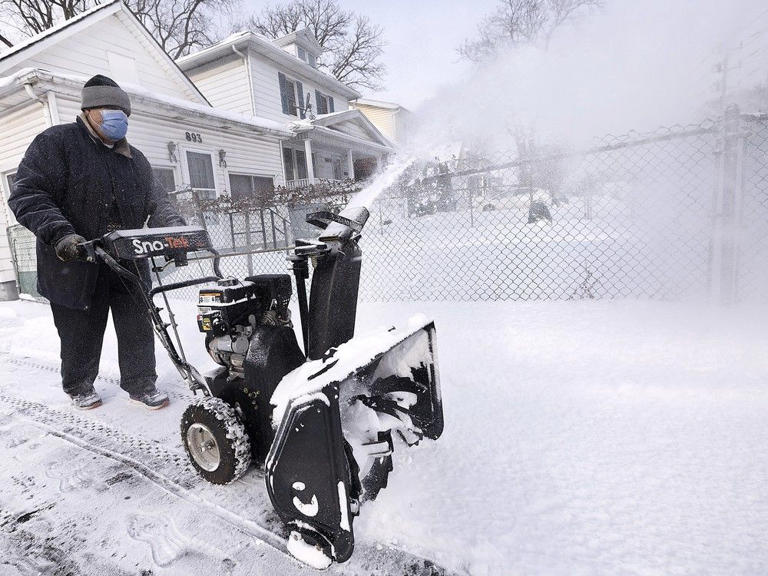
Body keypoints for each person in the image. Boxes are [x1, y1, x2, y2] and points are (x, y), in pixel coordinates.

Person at [8, 74, 185, 410]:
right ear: (88, 111)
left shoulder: (135, 159)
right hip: (74, 261)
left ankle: (141, 382)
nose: (117, 118)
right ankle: (78, 385)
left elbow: (157, 201)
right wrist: (61, 232)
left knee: (137, 324)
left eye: (122, 112)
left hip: (128, 259)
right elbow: (28, 194)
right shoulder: (56, 144)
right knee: (80, 331)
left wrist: (172, 227)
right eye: (108, 110)